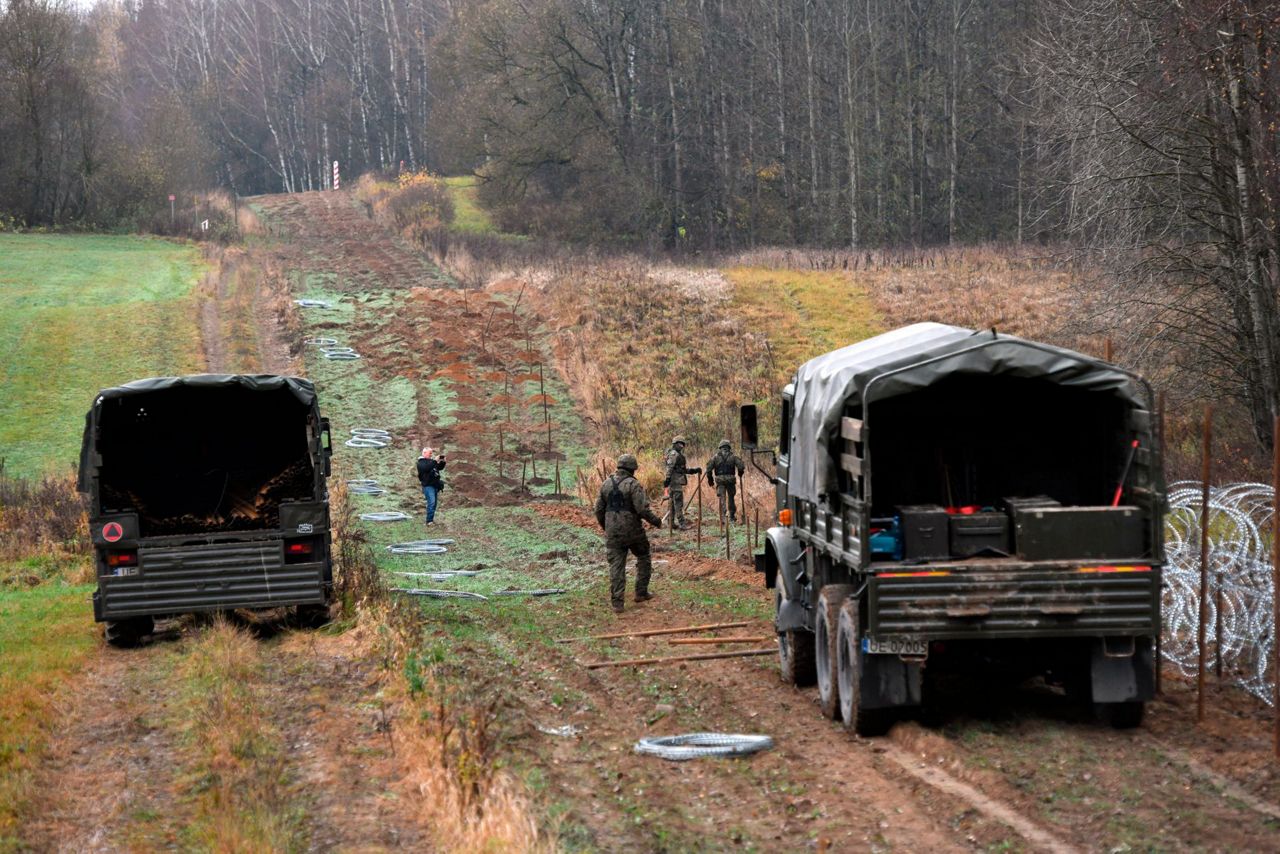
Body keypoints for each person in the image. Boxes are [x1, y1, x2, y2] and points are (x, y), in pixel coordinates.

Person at [594, 453, 663, 613]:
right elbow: (642, 509)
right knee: (644, 556)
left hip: (613, 533)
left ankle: (617, 603)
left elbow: (598, 510)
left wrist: (607, 526)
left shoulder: (605, 484)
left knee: (616, 566)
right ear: (633, 469)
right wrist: (656, 521)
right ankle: (641, 592)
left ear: (618, 467)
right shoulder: (633, 484)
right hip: (633, 531)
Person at [663, 435, 700, 530]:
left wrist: (693, 470)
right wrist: (667, 480)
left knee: (672, 504)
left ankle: (671, 523)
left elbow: (682, 469)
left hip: (676, 481)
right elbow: (669, 468)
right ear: (675, 444)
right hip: (675, 482)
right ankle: (682, 524)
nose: (682, 446)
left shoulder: (677, 455)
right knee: (678, 504)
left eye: (683, 444)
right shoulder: (674, 454)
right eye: (680, 444)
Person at [706, 439, 746, 524]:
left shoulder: (715, 457)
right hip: (730, 480)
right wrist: (740, 472)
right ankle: (731, 516)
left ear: (720, 447)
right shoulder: (733, 456)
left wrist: (710, 479)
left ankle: (723, 517)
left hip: (720, 481)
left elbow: (708, 469)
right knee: (731, 498)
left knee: (722, 498)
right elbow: (741, 466)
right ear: (729, 447)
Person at [415, 447, 447, 524]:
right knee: (432, 502)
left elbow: (439, 468)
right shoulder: (421, 462)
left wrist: (443, 462)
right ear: (424, 453)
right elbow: (427, 468)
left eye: (431, 453)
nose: (431, 455)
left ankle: (430, 520)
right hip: (428, 486)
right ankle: (429, 521)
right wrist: (435, 461)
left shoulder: (431, 462)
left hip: (435, 485)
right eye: (430, 453)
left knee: (434, 503)